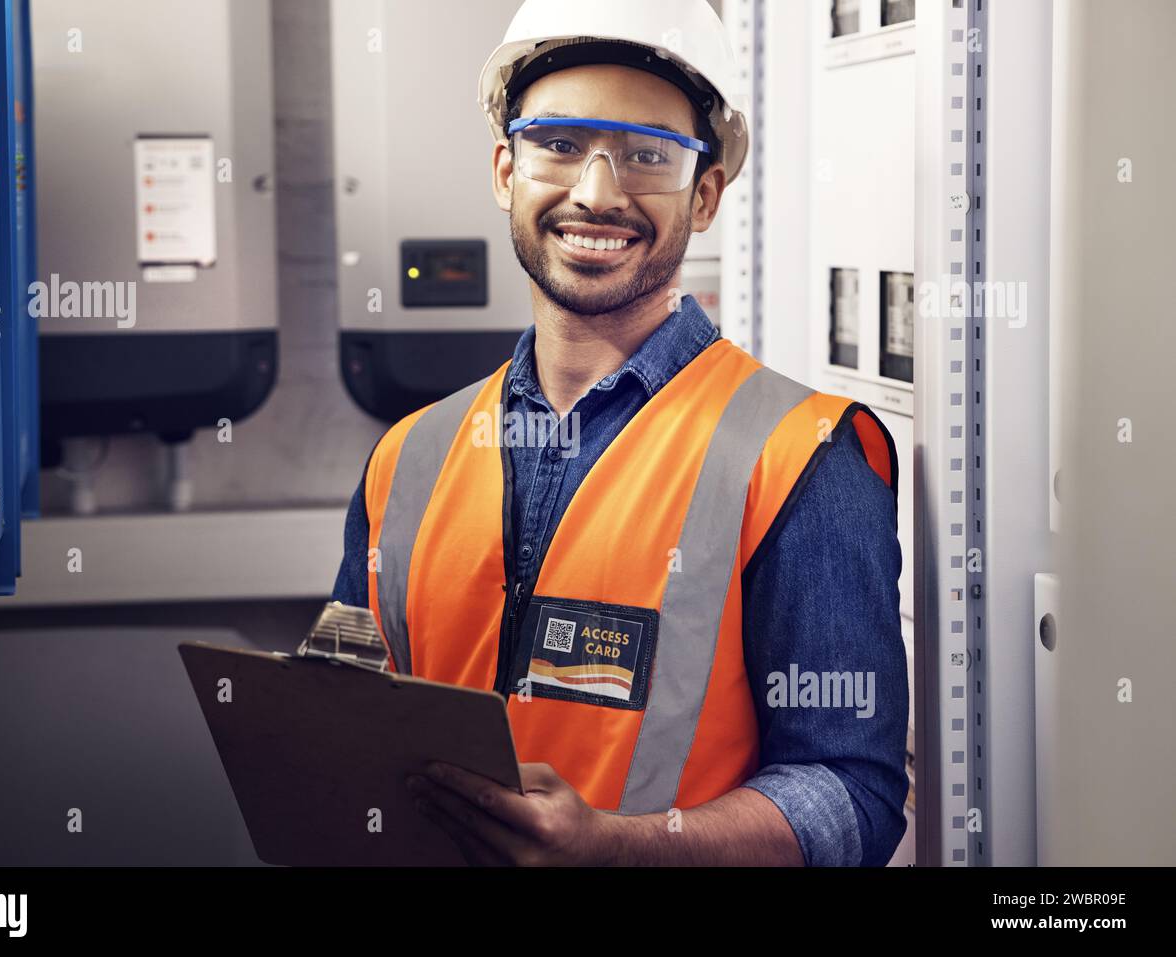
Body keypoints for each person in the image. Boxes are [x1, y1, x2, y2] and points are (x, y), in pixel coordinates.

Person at [331, 0, 908, 866]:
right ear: (505, 171)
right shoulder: (406, 456)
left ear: (705, 194)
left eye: (647, 156)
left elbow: (853, 795)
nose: (596, 192)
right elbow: (343, 712)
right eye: (559, 143)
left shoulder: (801, 455)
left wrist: (623, 848)